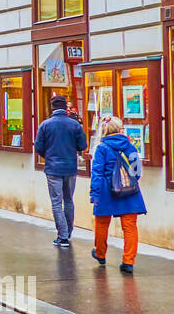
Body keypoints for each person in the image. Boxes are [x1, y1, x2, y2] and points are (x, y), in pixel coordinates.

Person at [90, 116, 146, 273]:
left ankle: (100, 253)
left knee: (101, 223)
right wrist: (126, 181)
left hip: (106, 190)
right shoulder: (130, 147)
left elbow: (97, 173)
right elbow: (137, 171)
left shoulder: (101, 148)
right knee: (130, 226)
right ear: (120, 129)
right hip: (129, 191)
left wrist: (94, 194)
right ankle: (128, 261)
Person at [33, 93, 89, 248]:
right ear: (65, 108)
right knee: (68, 200)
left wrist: (49, 156)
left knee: (56, 202)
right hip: (70, 168)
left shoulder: (45, 125)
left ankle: (62, 236)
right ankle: (68, 232)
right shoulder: (74, 125)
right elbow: (82, 146)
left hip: (53, 168)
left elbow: (38, 147)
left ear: (52, 108)